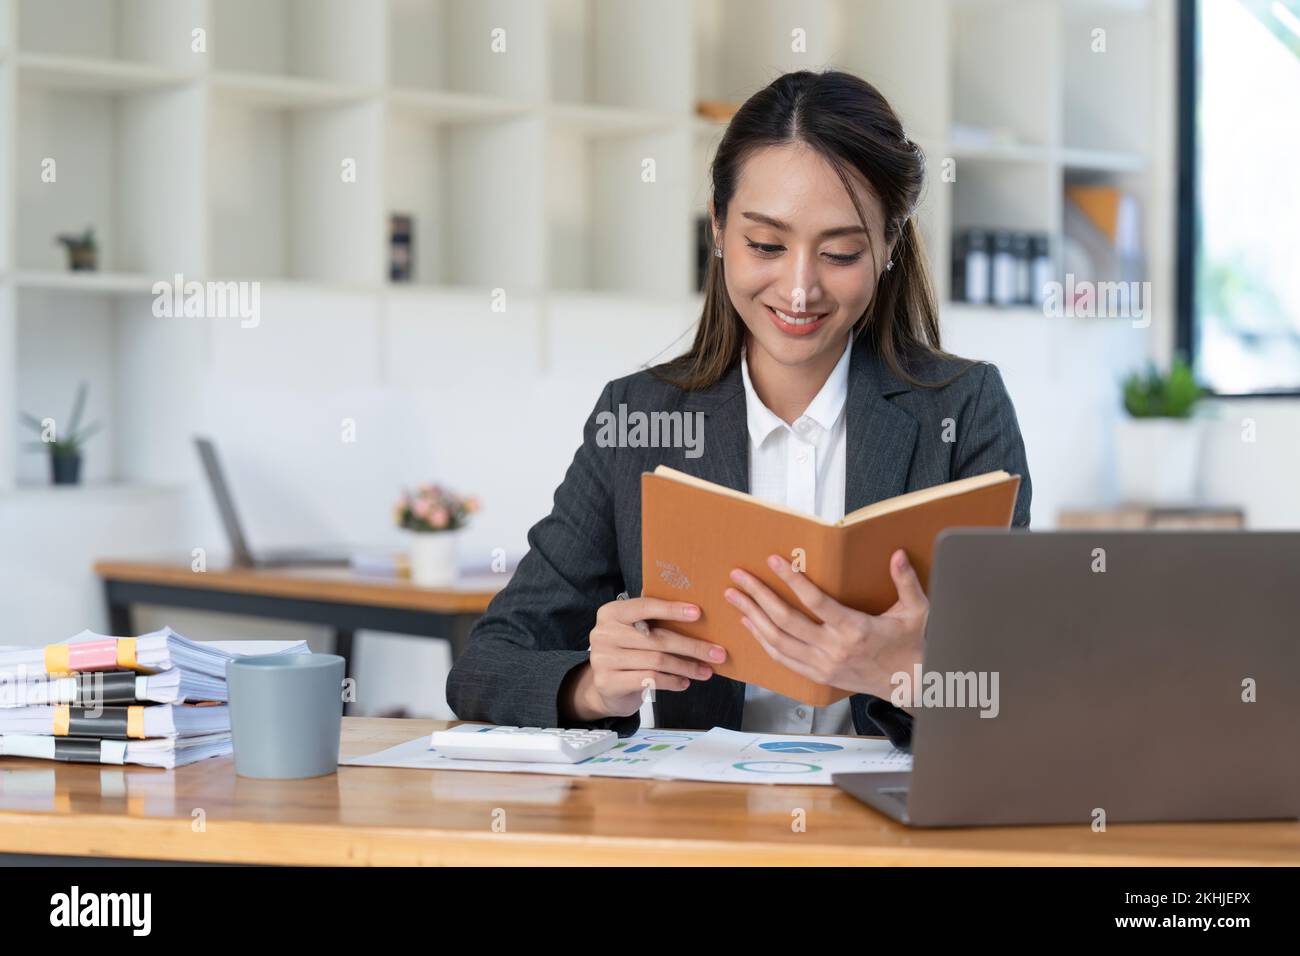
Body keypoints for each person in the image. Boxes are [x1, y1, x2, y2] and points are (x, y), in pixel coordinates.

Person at [447, 70, 1031, 749]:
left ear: (889, 247)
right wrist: (593, 684)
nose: (800, 287)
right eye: (765, 246)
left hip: (886, 826)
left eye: (841, 252)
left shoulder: (963, 411)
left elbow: (1017, 695)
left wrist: (903, 674)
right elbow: (486, 666)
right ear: (720, 228)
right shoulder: (637, 418)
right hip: (705, 824)